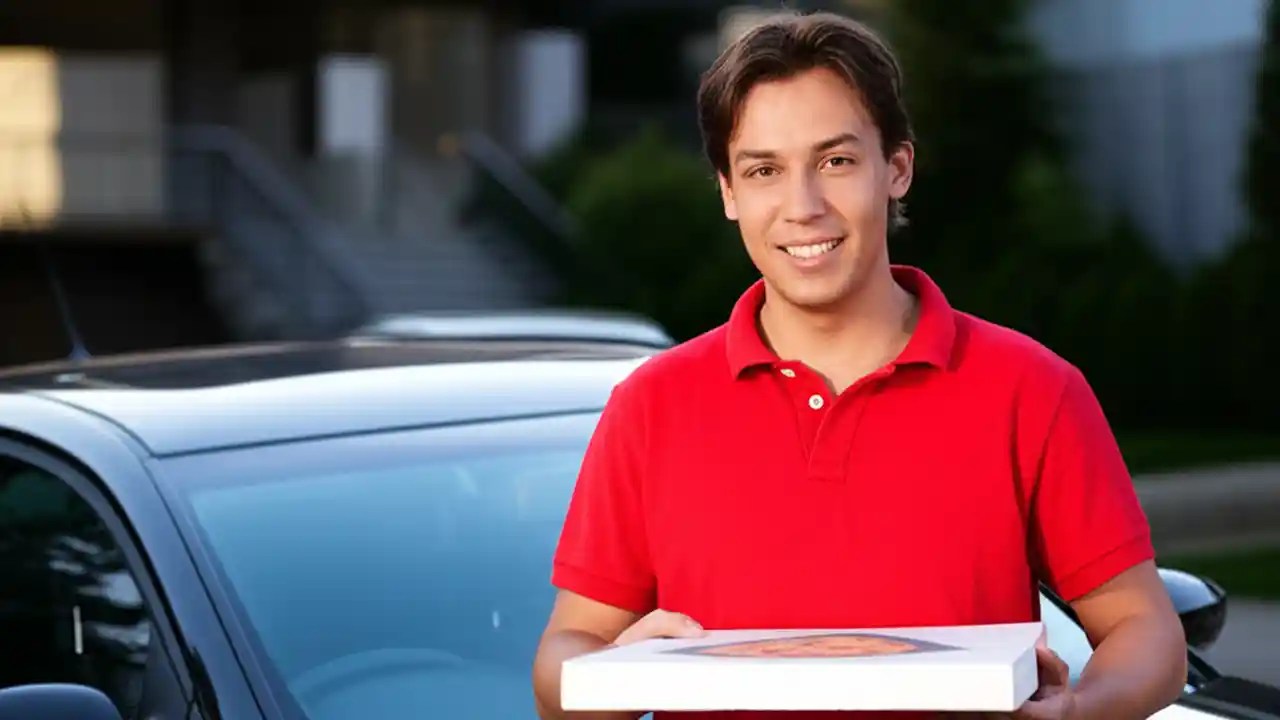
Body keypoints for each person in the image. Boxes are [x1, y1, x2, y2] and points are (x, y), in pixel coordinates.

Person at [532, 10, 1187, 720]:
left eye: (835, 161)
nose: (802, 207)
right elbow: (564, 658)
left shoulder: (1031, 390)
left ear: (896, 167)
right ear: (728, 191)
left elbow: (1144, 631)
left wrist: (1078, 712)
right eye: (763, 171)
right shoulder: (652, 407)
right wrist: (620, 671)